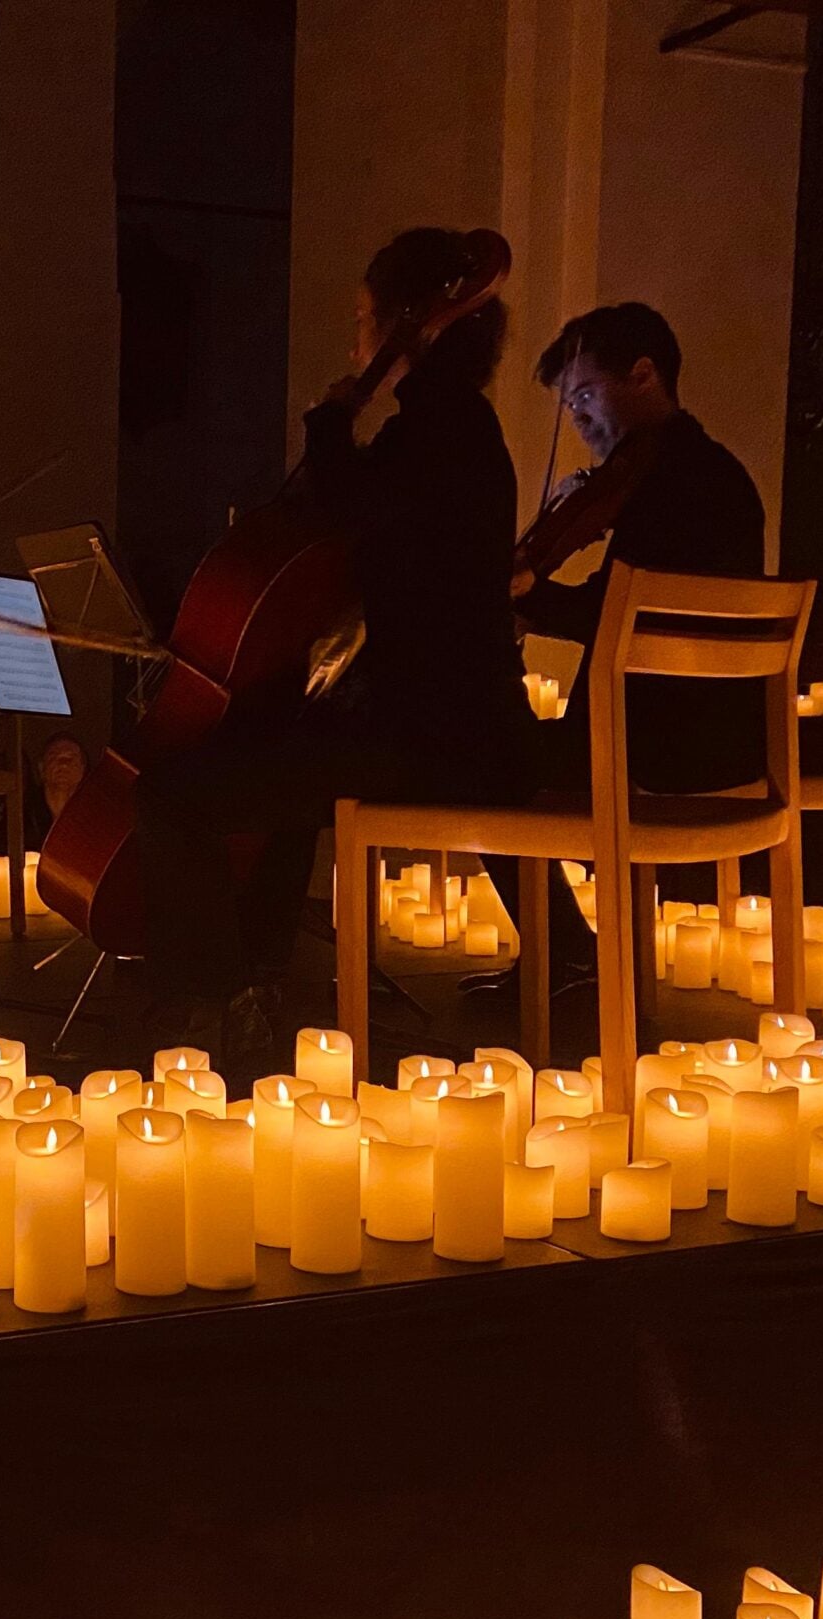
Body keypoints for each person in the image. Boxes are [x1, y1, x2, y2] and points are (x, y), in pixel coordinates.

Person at [135, 227, 539, 1065]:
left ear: (412, 325)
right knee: (271, 755)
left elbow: (341, 506)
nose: (356, 338)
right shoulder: (453, 428)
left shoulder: (439, 431)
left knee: (174, 792)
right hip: (450, 724)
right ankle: (253, 984)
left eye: (365, 317)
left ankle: (210, 1007)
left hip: (430, 738)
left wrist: (331, 418)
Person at [516, 302, 768, 795]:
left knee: (472, 760)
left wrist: (528, 596)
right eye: (570, 406)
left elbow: (618, 612)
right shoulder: (714, 471)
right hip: (715, 745)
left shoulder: (675, 480)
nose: (579, 420)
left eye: (586, 395)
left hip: (647, 750)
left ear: (644, 375)